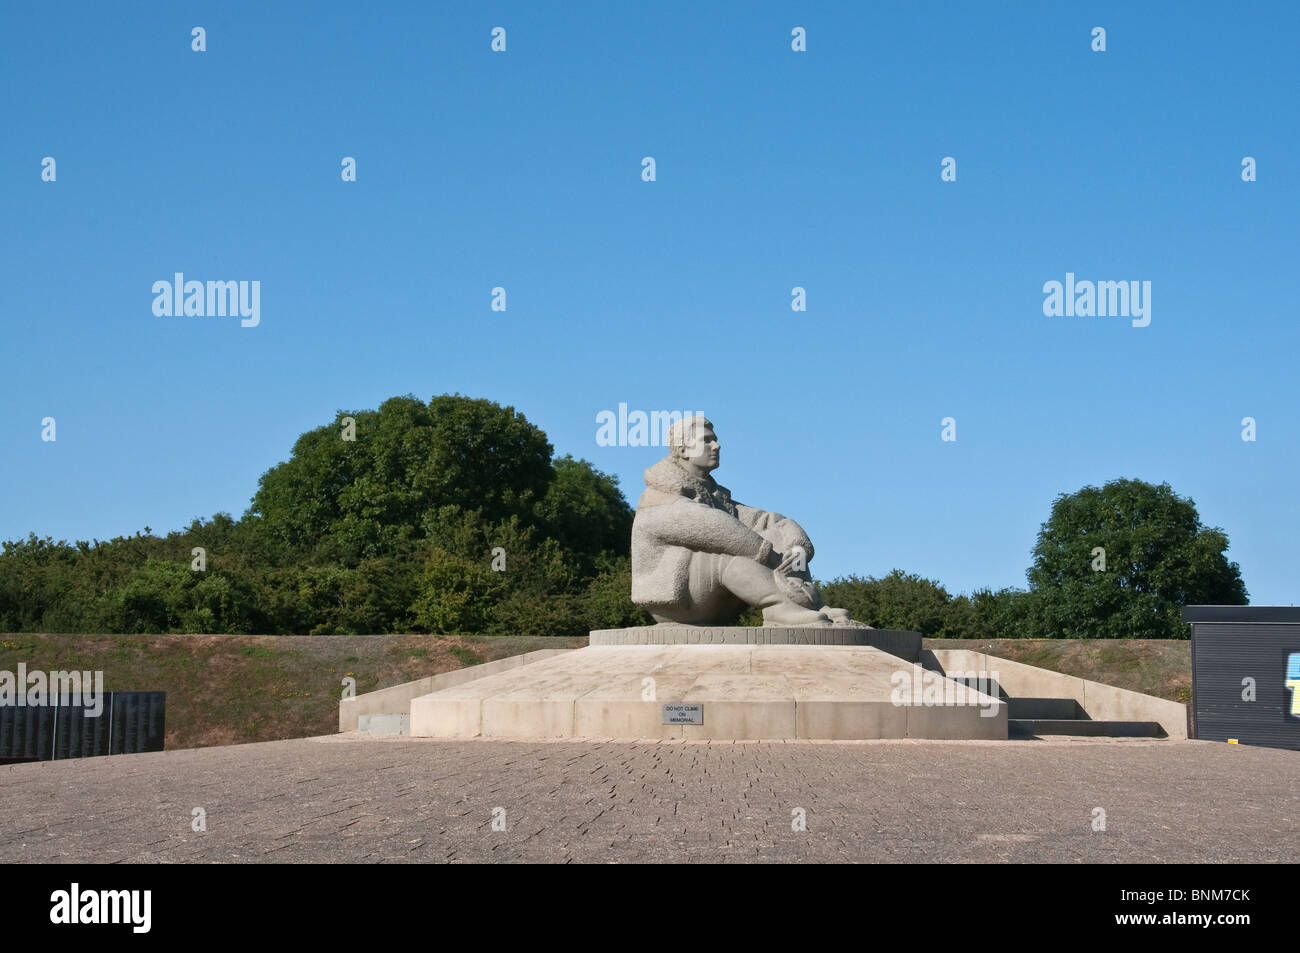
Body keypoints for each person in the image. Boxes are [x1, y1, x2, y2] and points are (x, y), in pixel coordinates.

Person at [631, 416, 862, 626]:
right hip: (680, 604)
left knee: (776, 537)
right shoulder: (659, 497)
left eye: (716, 440)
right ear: (683, 450)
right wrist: (771, 556)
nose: (716, 446)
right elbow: (714, 527)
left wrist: (797, 547)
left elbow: (769, 520)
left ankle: (806, 604)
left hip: (712, 601)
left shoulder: (714, 496)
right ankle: (779, 608)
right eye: (707, 440)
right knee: (728, 550)